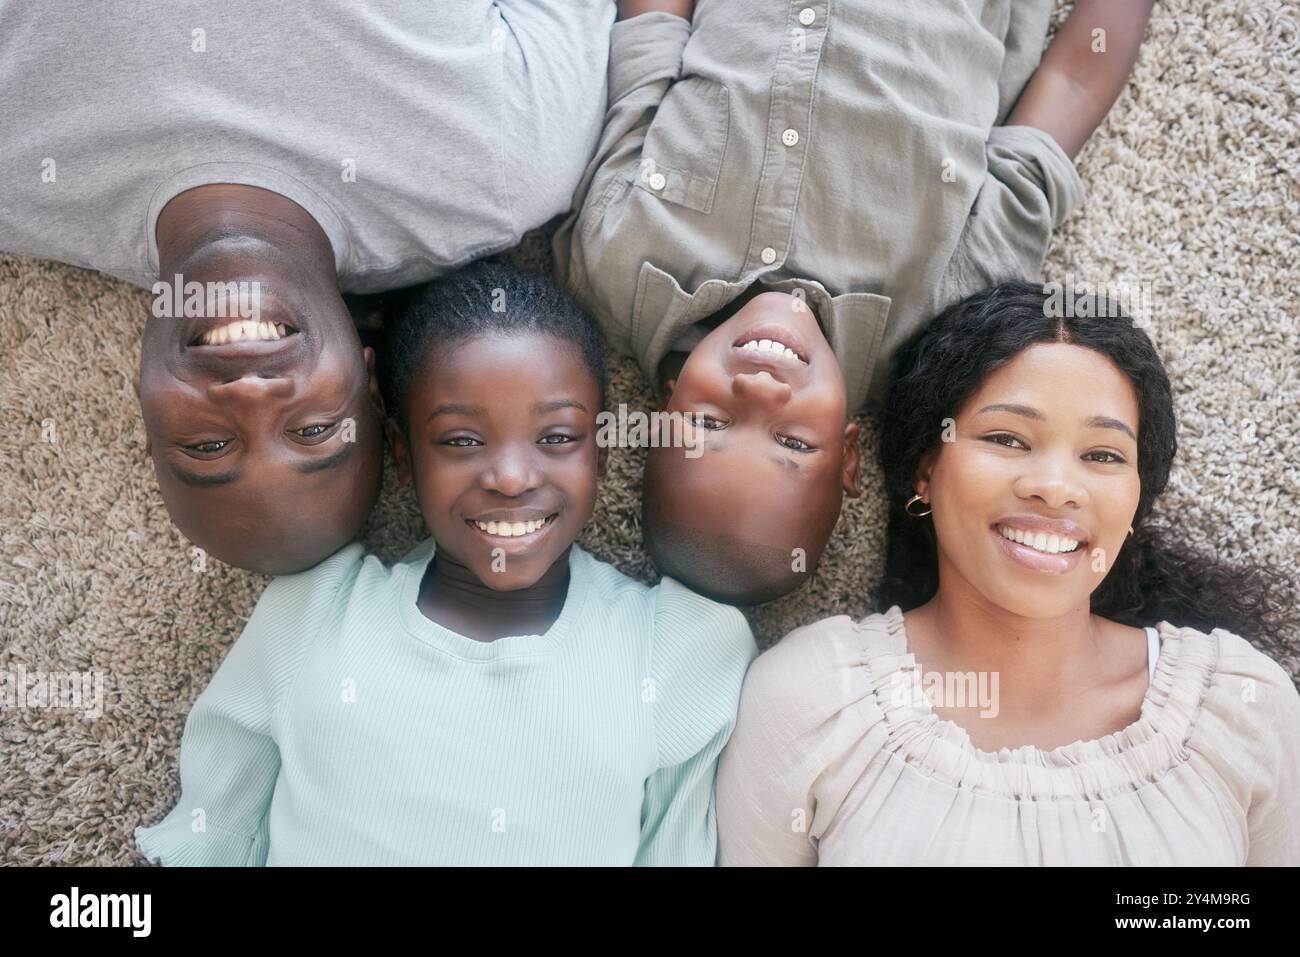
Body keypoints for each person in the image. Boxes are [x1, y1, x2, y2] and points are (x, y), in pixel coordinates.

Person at [134, 262, 756, 865]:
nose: (512, 478)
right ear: (403, 453)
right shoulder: (314, 611)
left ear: (600, 451)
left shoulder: (675, 648)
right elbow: (214, 835)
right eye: (461, 441)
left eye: (558, 437)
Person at [554, 0, 1155, 603]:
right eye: (793, 441)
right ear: (849, 453)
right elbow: (1064, 98)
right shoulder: (942, 329)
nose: (761, 389)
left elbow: (649, 41)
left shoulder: (616, 262)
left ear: (663, 412)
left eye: (710, 423)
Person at [0, 0, 616, 572]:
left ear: (146, 412)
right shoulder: (504, 172)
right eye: (314, 431)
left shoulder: (19, 183)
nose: (249, 393)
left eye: (209, 444)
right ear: (371, 389)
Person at [716, 281, 1300, 866]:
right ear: (926, 469)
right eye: (1006, 438)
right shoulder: (811, 701)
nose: (1054, 486)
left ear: (1136, 499)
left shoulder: (1243, 711)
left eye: (1102, 455)